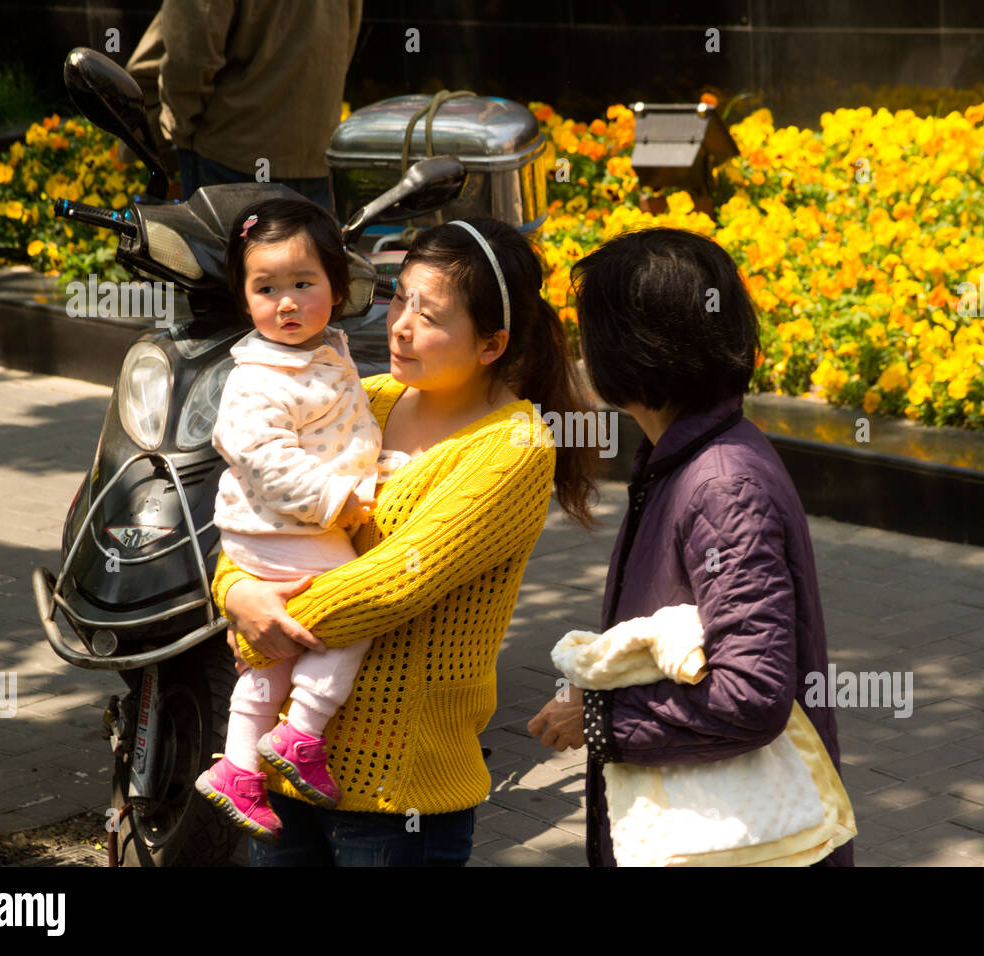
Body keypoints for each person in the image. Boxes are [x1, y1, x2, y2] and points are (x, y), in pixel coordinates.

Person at [211, 217, 599, 866]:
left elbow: (393, 585)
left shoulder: (513, 446)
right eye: (399, 298)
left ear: (490, 344)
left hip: (399, 797)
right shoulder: (370, 397)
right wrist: (235, 588)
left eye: (431, 314)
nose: (400, 325)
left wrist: (259, 620)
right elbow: (260, 510)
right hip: (286, 769)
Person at [527, 227, 854, 867]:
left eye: (590, 329)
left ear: (630, 345)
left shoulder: (721, 483)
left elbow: (750, 694)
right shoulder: (685, 457)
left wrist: (601, 722)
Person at [195, 197, 385, 843]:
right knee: (351, 616)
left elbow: (341, 434)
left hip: (285, 530)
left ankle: (239, 767)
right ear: (243, 298)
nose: (287, 303)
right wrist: (338, 500)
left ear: (337, 285)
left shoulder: (326, 351)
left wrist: (379, 468)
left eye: (303, 284)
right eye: (266, 288)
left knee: (269, 657)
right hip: (283, 530)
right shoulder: (255, 377)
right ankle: (303, 731)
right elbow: (268, 462)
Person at [125, 0, 363, 208]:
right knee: (305, 257)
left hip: (230, 154)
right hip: (310, 155)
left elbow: (191, 58)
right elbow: (346, 40)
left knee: (223, 258)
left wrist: (178, 128)